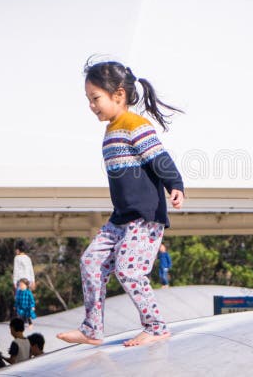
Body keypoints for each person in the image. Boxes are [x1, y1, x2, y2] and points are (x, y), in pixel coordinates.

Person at [57, 55, 184, 348]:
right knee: (90, 261)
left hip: (144, 217)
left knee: (129, 270)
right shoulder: (111, 129)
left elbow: (159, 158)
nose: (91, 105)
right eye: (88, 99)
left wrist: (175, 185)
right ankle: (92, 328)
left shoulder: (135, 124)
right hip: (121, 218)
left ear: (119, 95)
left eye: (95, 98)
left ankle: (155, 326)